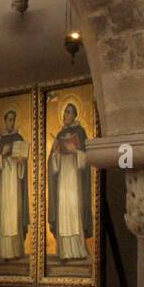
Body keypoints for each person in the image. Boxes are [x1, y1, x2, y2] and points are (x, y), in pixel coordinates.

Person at [48, 103, 92, 261]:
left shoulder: (80, 132)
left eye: (69, 112)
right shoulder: (59, 134)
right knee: (63, 211)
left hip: (75, 178)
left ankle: (78, 250)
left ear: (74, 116)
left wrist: (75, 151)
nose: (65, 115)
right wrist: (56, 153)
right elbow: (52, 165)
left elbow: (87, 159)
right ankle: (64, 252)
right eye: (65, 112)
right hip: (62, 179)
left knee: (74, 211)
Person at [0, 109, 30, 261]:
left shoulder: (18, 138)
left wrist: (21, 163)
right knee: (5, 214)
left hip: (15, 181)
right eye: (9, 120)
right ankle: (6, 252)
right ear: (4, 121)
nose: (11, 123)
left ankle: (16, 251)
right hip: (4, 184)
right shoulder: (0, 142)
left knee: (15, 213)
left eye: (13, 120)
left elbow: (23, 164)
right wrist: (2, 154)